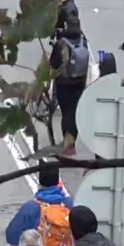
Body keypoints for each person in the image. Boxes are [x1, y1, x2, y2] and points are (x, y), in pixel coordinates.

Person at [4, 167, 75, 246]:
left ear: (39, 183)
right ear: (58, 182)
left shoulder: (30, 207)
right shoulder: (69, 204)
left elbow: (11, 234)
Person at [49, 18, 90, 155]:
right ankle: (72, 141)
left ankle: (68, 145)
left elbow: (54, 63)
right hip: (79, 81)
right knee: (74, 111)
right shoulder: (82, 41)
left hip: (64, 83)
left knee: (66, 112)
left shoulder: (61, 43)